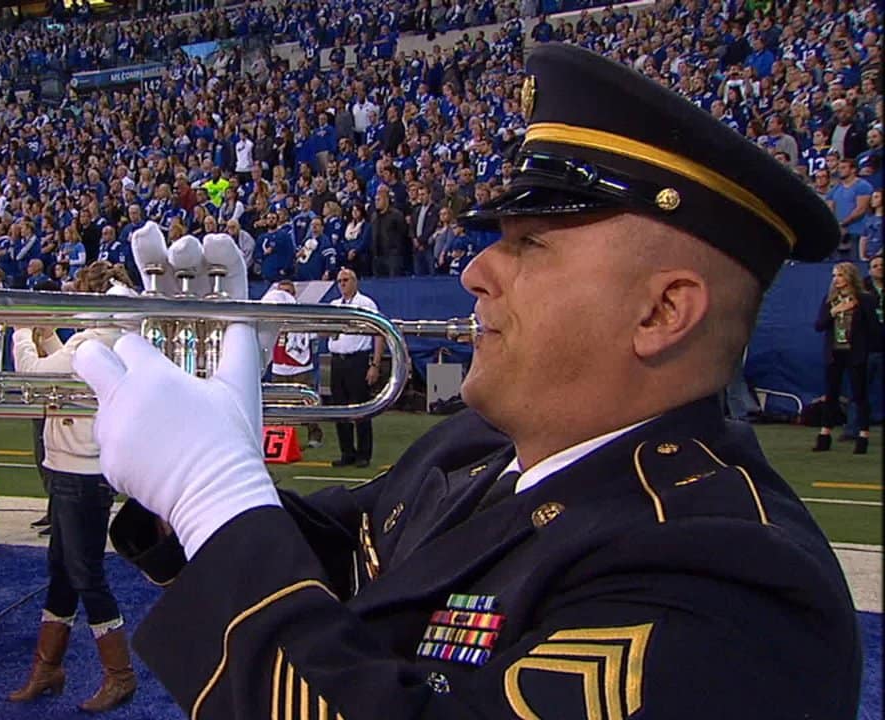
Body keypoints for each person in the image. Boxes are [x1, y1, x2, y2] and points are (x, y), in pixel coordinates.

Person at [72, 44, 861, 718]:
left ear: (662, 311)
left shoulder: (733, 584)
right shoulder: (482, 443)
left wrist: (214, 493)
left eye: (530, 245)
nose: (478, 270)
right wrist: (198, 463)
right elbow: (350, 564)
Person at [7, 259, 138, 712]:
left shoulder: (94, 339)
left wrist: (22, 328)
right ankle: (48, 667)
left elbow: (35, 373)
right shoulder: (110, 337)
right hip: (78, 465)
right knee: (63, 569)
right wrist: (44, 332)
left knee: (85, 574)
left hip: (79, 469)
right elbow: (65, 362)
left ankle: (120, 675)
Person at [813, 262, 877, 454]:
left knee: (859, 394)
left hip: (855, 352)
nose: (836, 279)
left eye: (840, 275)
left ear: (850, 277)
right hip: (835, 352)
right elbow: (819, 325)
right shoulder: (831, 300)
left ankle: (863, 435)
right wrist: (835, 311)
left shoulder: (865, 299)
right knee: (831, 393)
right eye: (834, 275)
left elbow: (872, 328)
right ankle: (824, 435)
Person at [327, 267, 383, 467]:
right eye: (339, 281)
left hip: (357, 360)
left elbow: (378, 333)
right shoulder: (334, 305)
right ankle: (347, 452)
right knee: (339, 408)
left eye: (345, 280)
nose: (342, 284)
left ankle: (364, 454)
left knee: (361, 407)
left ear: (355, 282)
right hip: (337, 360)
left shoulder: (366, 304)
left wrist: (375, 364)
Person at [268, 279, 323, 448]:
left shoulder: (302, 313)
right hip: (279, 367)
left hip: (300, 367)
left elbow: (314, 335)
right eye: (281, 292)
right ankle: (280, 439)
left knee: (307, 404)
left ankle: (314, 435)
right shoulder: (271, 315)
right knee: (278, 405)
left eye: (288, 292)